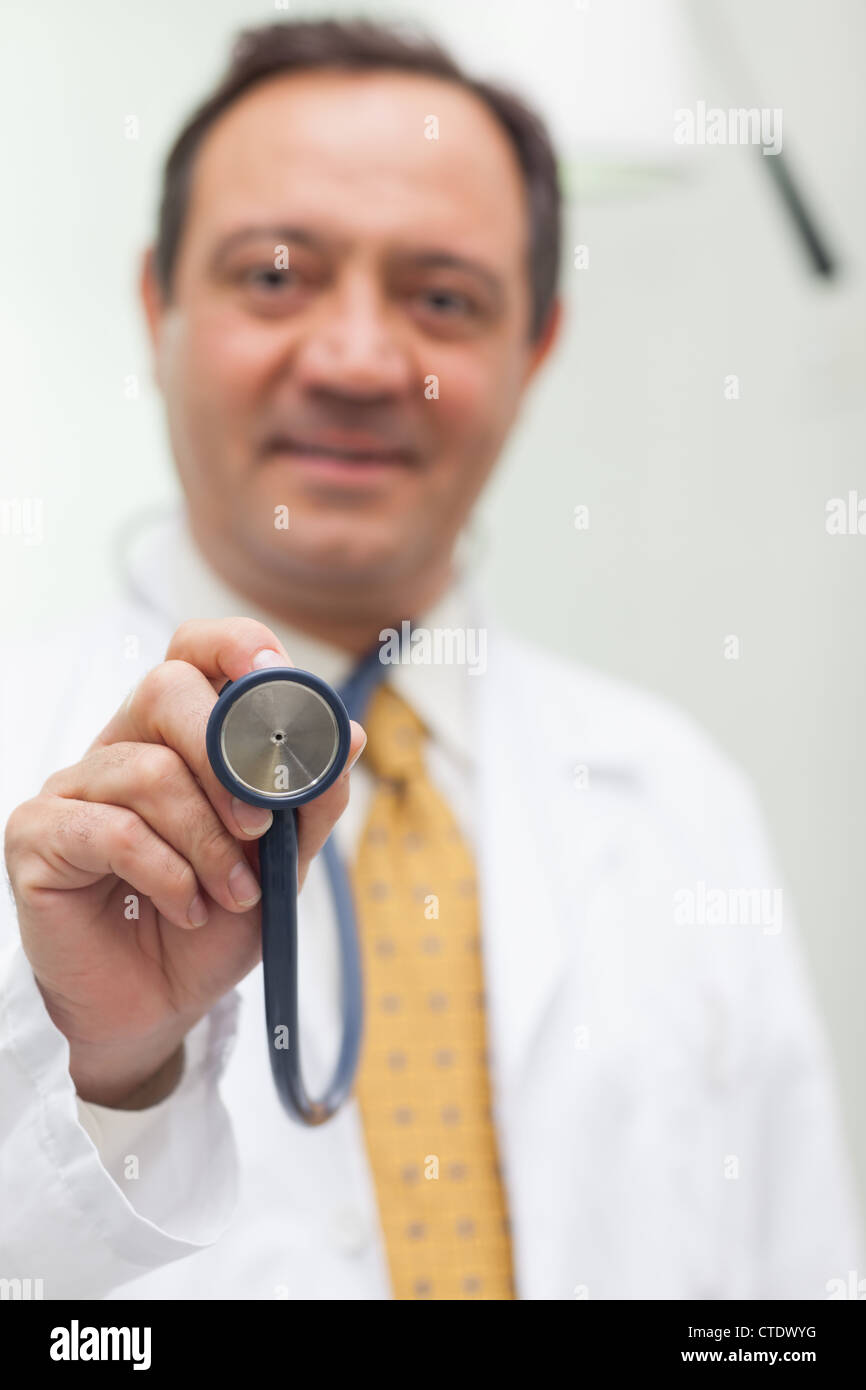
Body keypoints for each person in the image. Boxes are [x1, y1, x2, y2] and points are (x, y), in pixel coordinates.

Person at [0, 17, 860, 1302]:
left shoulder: (681, 803)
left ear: (536, 346)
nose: (357, 360)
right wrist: (118, 1075)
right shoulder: (36, 763)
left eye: (443, 297)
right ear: (155, 304)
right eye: (275, 275)